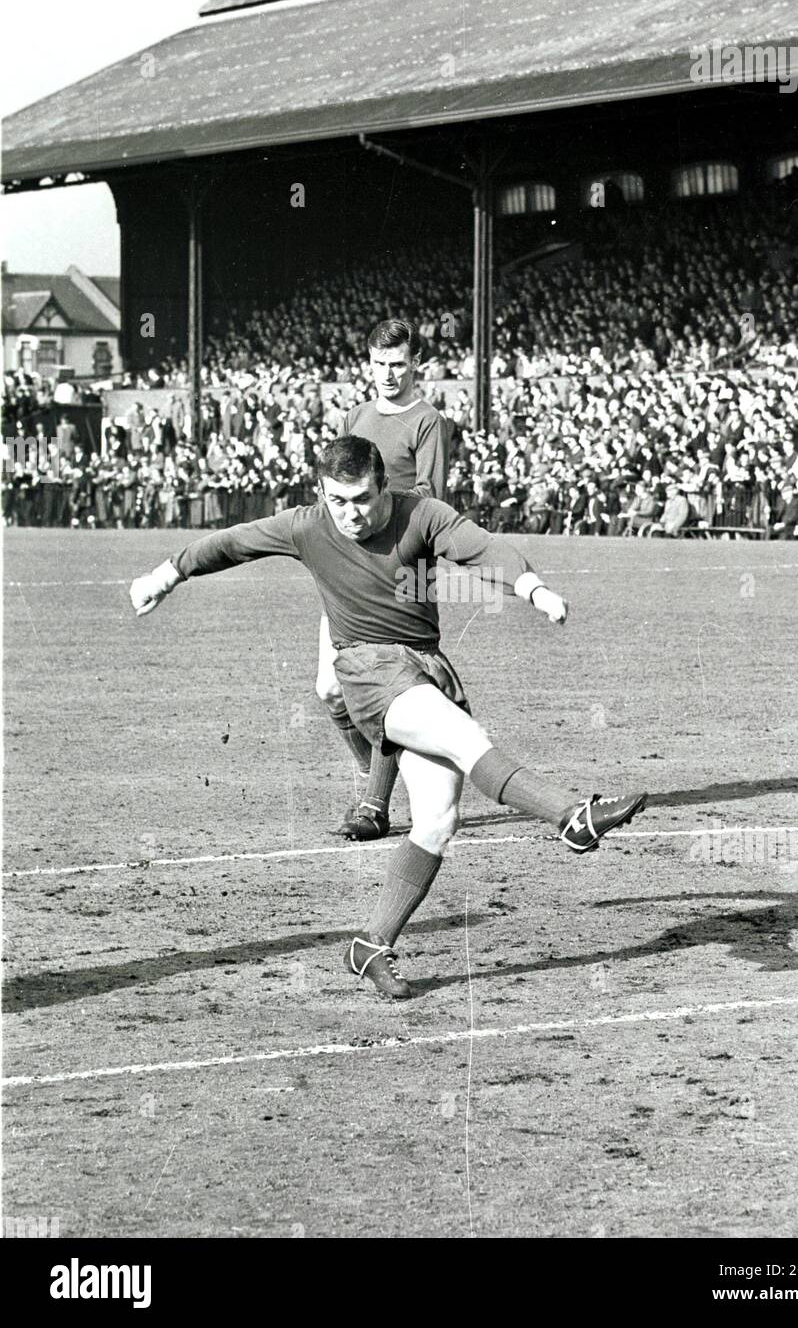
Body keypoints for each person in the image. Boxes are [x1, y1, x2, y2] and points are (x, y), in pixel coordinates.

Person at [130, 435, 647, 1000]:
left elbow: (478, 547)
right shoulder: (306, 526)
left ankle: (371, 943)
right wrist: (164, 575)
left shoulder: (419, 514)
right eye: (337, 500)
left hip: (426, 666)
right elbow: (230, 544)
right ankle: (570, 816)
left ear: (384, 486)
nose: (350, 513)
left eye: (361, 499)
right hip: (368, 670)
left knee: (437, 820)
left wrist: (531, 587)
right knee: (464, 736)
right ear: (320, 493)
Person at [318, 319, 451, 845]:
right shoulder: (356, 415)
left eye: (398, 364)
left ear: (415, 363)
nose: (388, 374)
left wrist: (382, 517)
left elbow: (430, 498)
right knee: (331, 689)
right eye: (379, 364)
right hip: (348, 565)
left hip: (401, 566)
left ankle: (375, 803)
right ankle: (375, 780)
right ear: (368, 364)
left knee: (390, 692)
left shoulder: (428, 421)